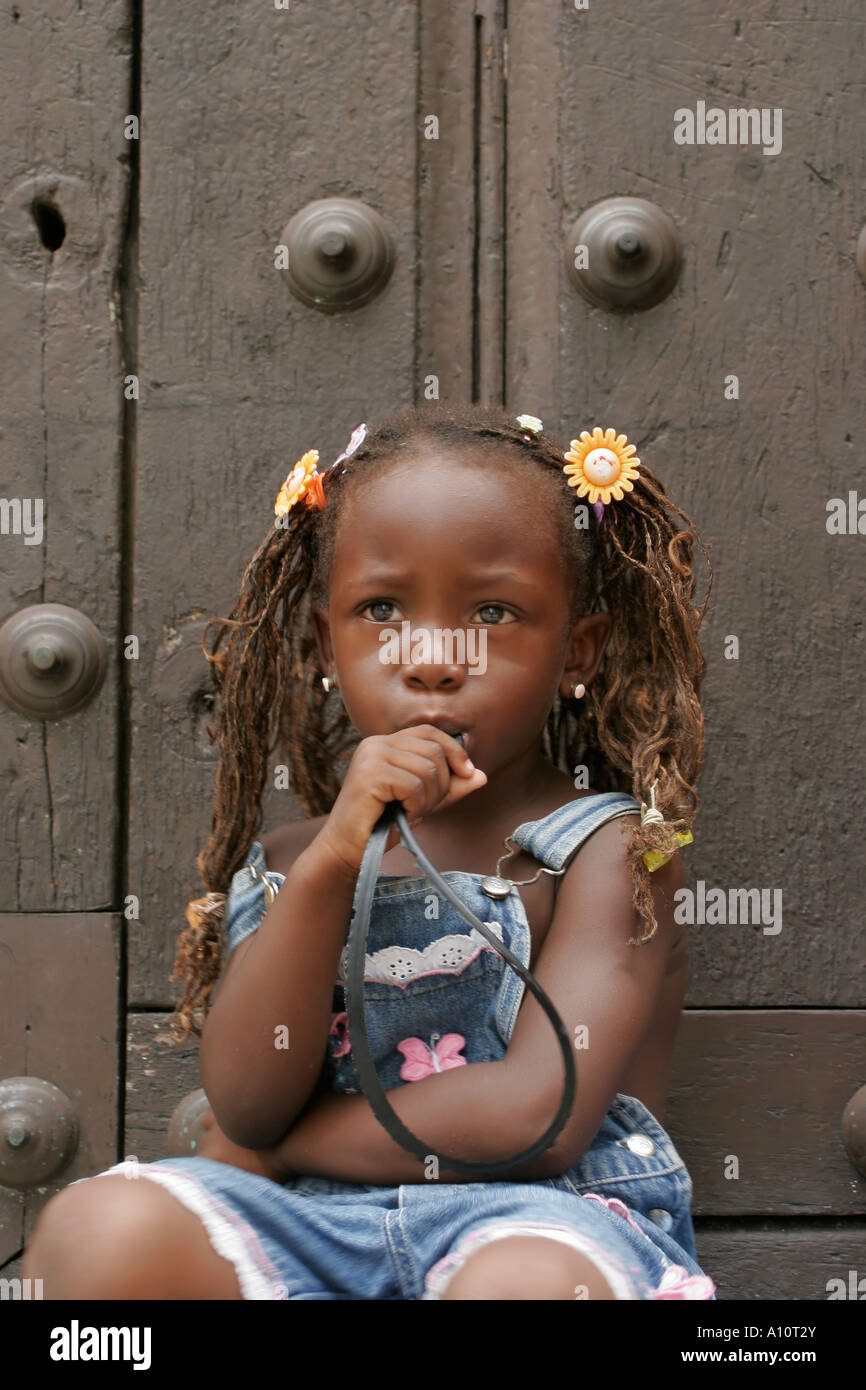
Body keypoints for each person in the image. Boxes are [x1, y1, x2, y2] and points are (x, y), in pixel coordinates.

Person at [24, 403, 717, 1300]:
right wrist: (330, 865)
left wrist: (285, 1145)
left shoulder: (612, 851)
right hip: (309, 1228)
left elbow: (536, 1115)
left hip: (544, 1222)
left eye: (494, 611)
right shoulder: (296, 857)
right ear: (325, 643)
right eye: (382, 609)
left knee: (527, 1286)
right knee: (97, 1231)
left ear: (576, 652)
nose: (430, 657)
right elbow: (245, 1101)